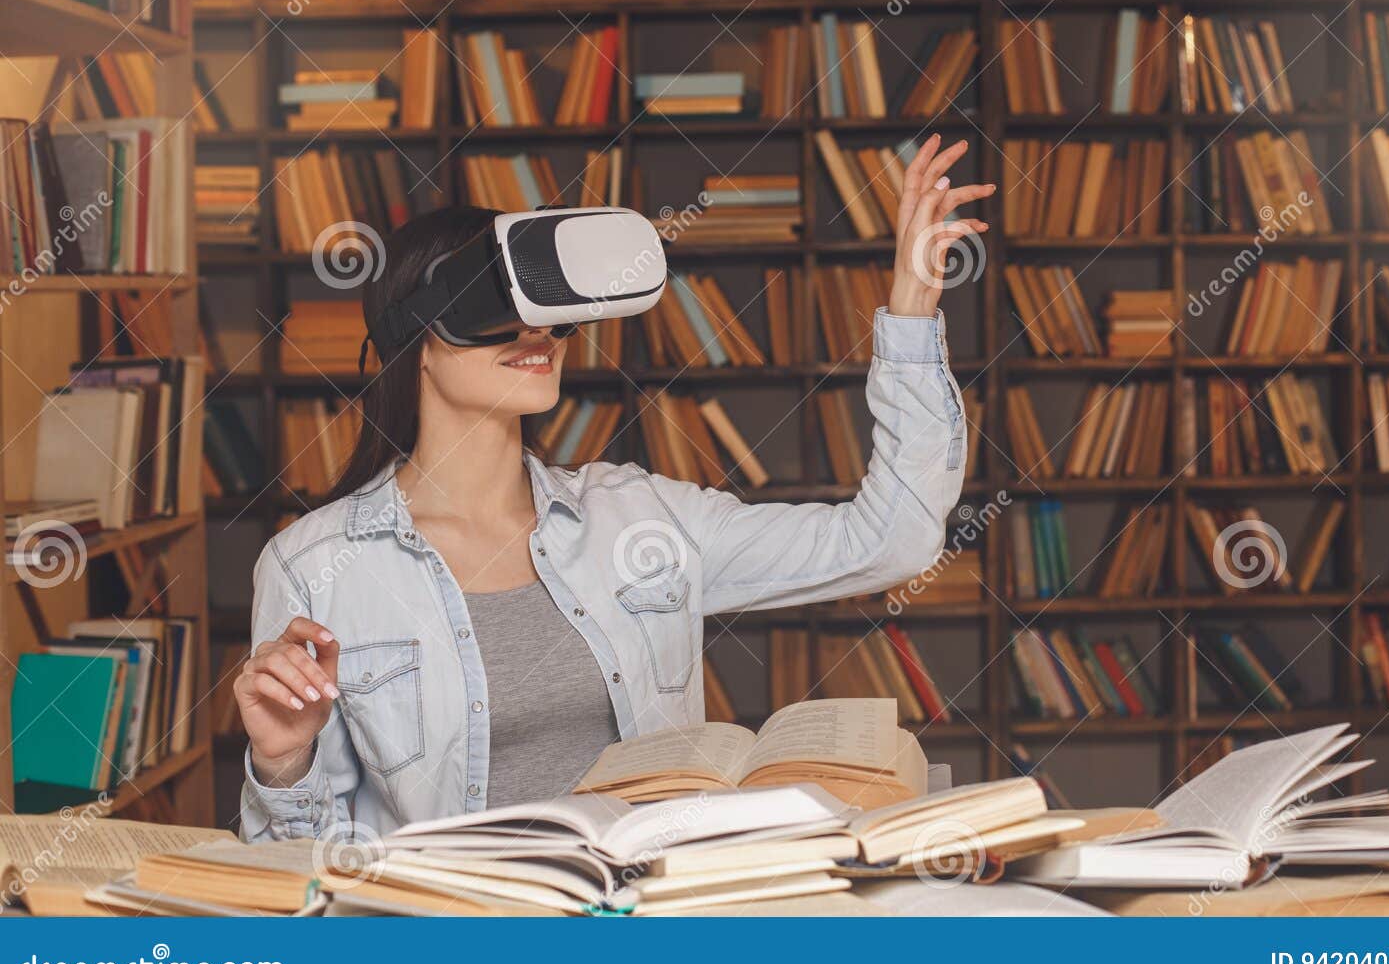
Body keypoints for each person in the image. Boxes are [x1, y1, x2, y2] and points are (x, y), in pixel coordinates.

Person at [236, 136, 991, 841]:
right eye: (499, 309)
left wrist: (913, 310)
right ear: (418, 345)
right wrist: (282, 762)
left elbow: (890, 540)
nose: (538, 333)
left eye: (548, 308)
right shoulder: (315, 567)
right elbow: (298, 869)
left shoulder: (641, 521)